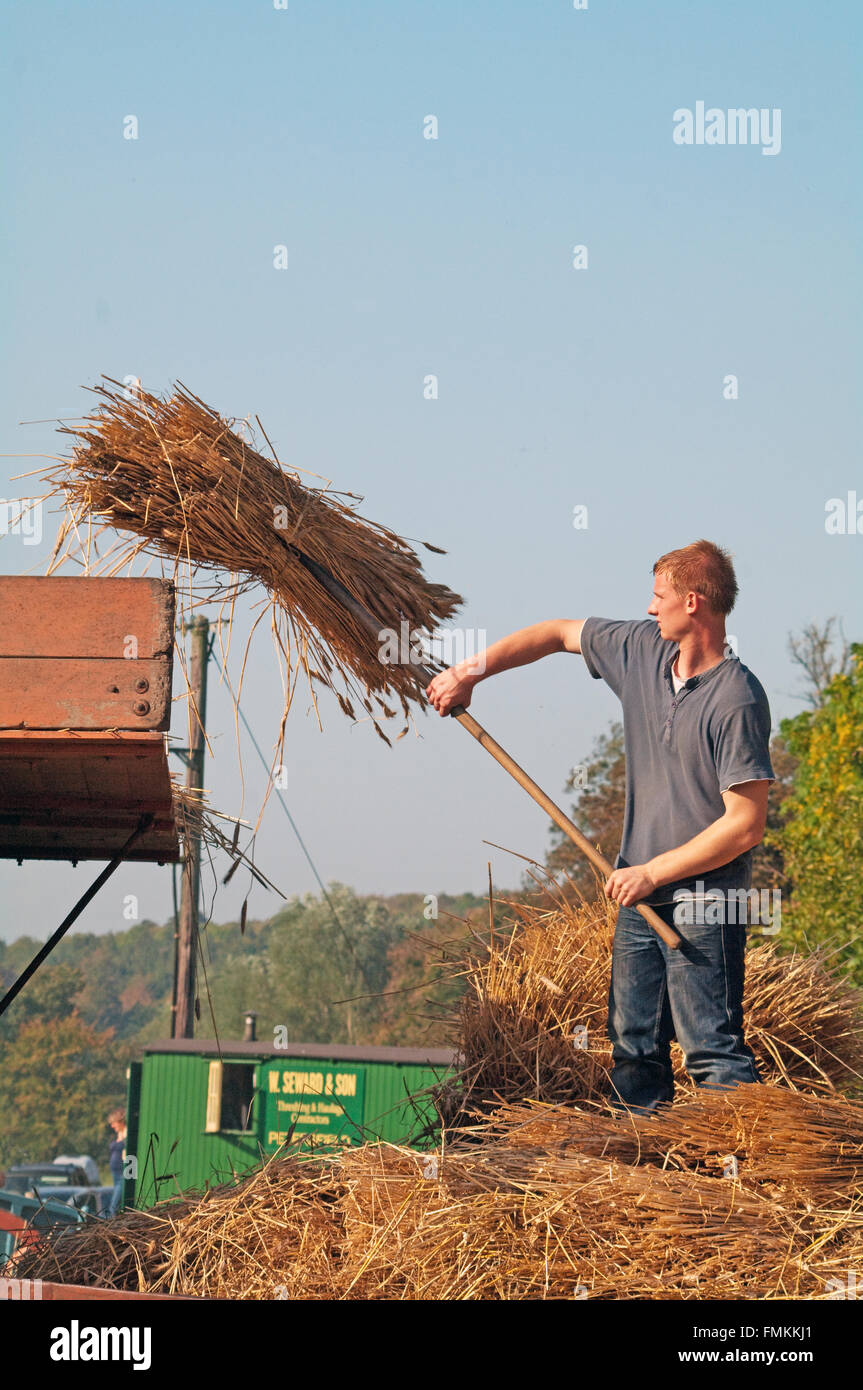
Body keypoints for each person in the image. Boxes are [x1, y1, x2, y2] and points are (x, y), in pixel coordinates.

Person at [425, 539, 774, 1113]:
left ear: (692, 602)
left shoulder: (736, 698)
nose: (648, 607)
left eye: (659, 596)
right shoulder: (640, 650)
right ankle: (648, 1172)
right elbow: (557, 633)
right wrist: (470, 672)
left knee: (711, 1050)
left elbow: (745, 825)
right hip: (639, 895)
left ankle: (754, 1181)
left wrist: (652, 872)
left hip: (705, 899)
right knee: (634, 1048)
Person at [106, 1107, 127, 1215]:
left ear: (121, 1122)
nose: (112, 1126)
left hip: (121, 1175)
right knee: (116, 1205)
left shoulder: (127, 1135)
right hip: (116, 1174)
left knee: (113, 1206)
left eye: (114, 1123)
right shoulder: (120, 1134)